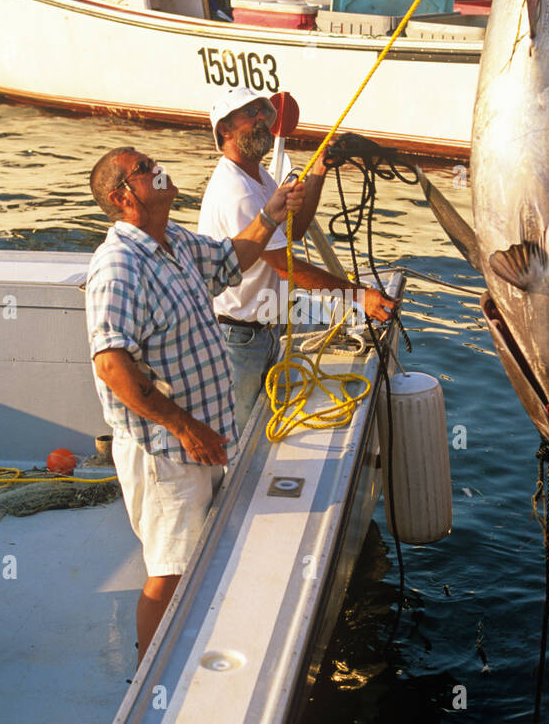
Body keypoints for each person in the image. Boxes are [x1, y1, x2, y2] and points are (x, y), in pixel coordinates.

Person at [86, 145, 306, 668]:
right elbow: (112, 366)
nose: (159, 169)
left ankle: (175, 656)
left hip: (202, 441)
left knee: (195, 556)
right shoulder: (118, 265)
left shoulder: (175, 241)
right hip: (165, 451)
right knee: (171, 570)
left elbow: (231, 259)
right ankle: (150, 678)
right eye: (145, 169)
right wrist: (187, 430)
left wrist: (272, 212)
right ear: (122, 197)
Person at [199, 86, 397, 428]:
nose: (261, 119)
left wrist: (319, 167)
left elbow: (293, 233)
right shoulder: (236, 191)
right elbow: (284, 266)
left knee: (256, 425)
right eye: (250, 114)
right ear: (224, 130)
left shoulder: (257, 175)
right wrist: (358, 295)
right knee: (239, 434)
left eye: (263, 112)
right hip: (238, 339)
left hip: (262, 331)